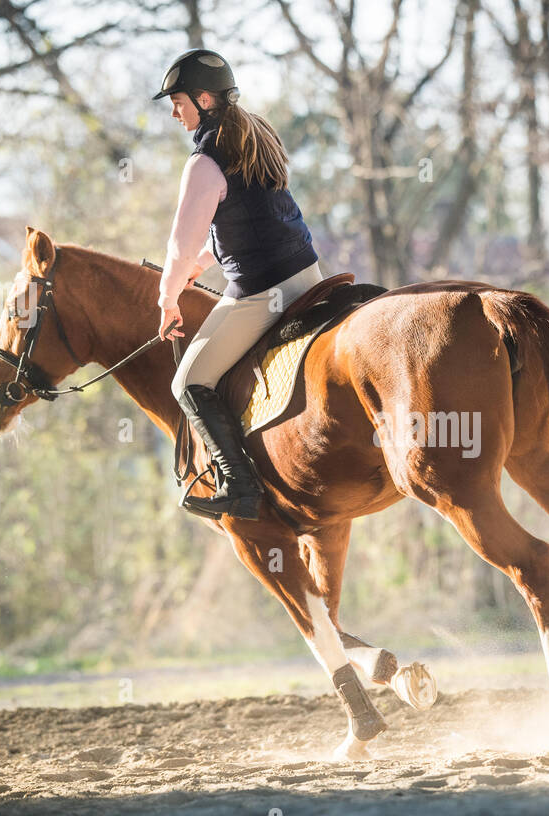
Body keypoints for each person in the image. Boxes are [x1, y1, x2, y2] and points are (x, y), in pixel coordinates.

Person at [152, 49, 322, 520]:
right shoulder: (254, 136)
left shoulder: (204, 162)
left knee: (187, 382)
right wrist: (197, 268)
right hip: (309, 276)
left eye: (178, 100)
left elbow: (178, 248)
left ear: (204, 99)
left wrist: (168, 299)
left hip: (262, 293)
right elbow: (241, 226)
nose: (174, 110)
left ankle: (242, 488)